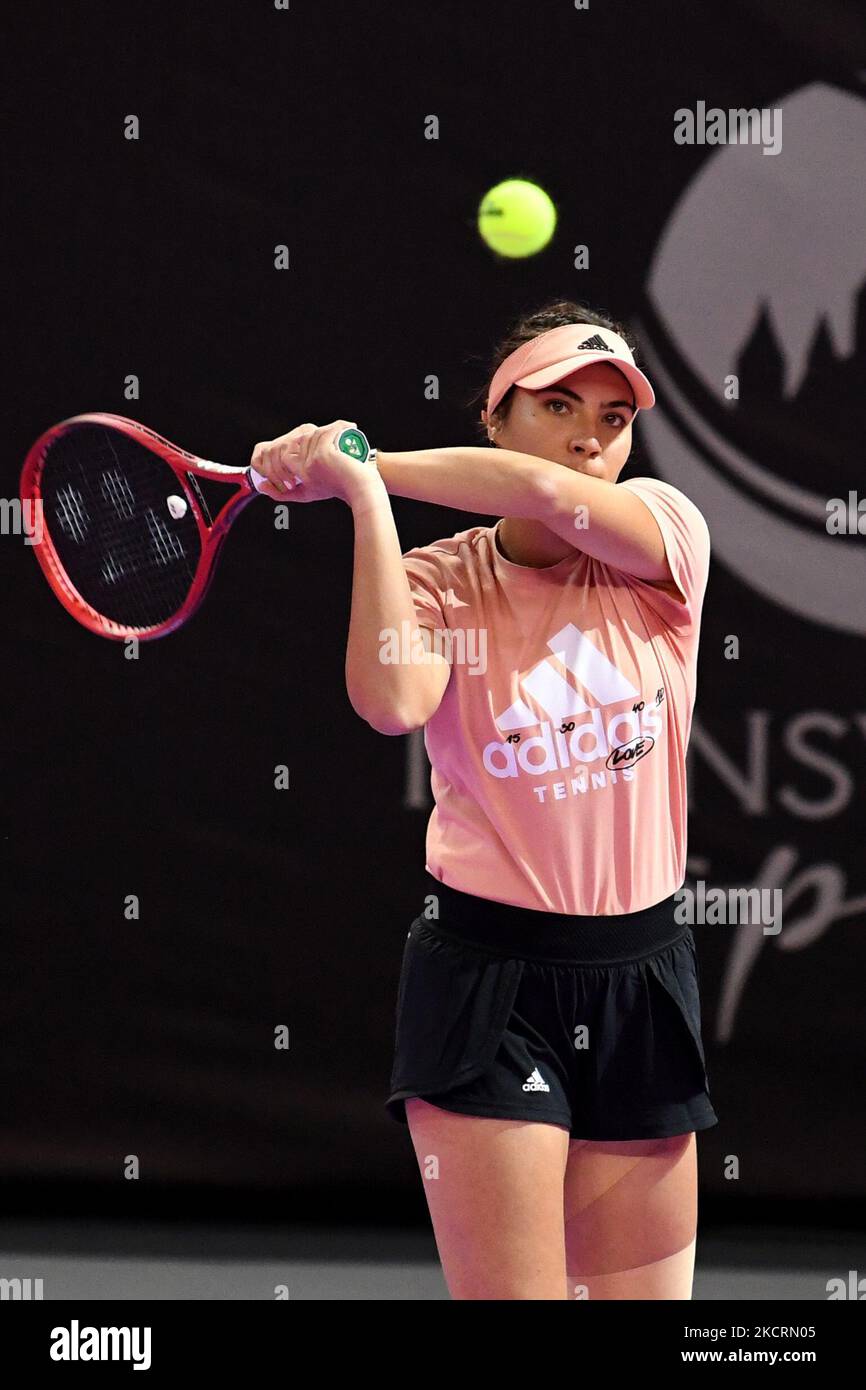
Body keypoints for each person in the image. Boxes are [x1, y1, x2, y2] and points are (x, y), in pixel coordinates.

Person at [251, 300, 718, 1301]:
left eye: (613, 415)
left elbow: (538, 491)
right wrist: (365, 506)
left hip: (638, 981)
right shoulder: (438, 582)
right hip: (489, 988)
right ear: (494, 417)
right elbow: (390, 703)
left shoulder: (669, 541)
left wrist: (361, 460)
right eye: (556, 404)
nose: (591, 433)